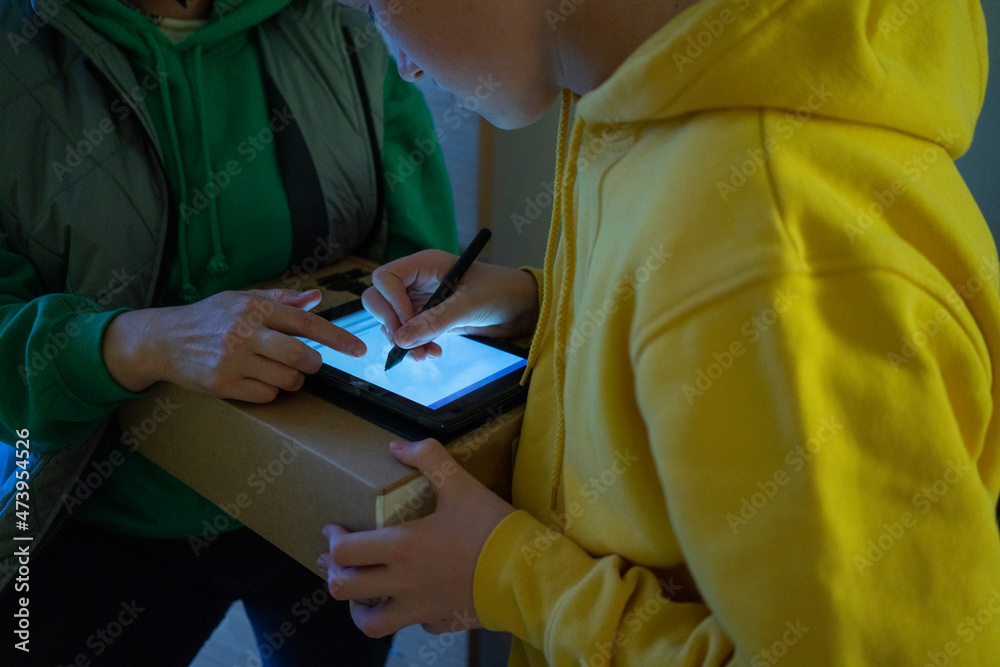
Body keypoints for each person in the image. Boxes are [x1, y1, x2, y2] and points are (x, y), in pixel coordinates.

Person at [318, 0, 1000, 664]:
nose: (401, 64)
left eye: (374, 3)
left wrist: (512, 578)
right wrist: (537, 300)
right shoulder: (647, 94)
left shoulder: (766, 245)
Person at [0, 0, 458, 663]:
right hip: (93, 510)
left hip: (326, 509)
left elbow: (420, 266)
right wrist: (139, 341)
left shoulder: (342, 28)